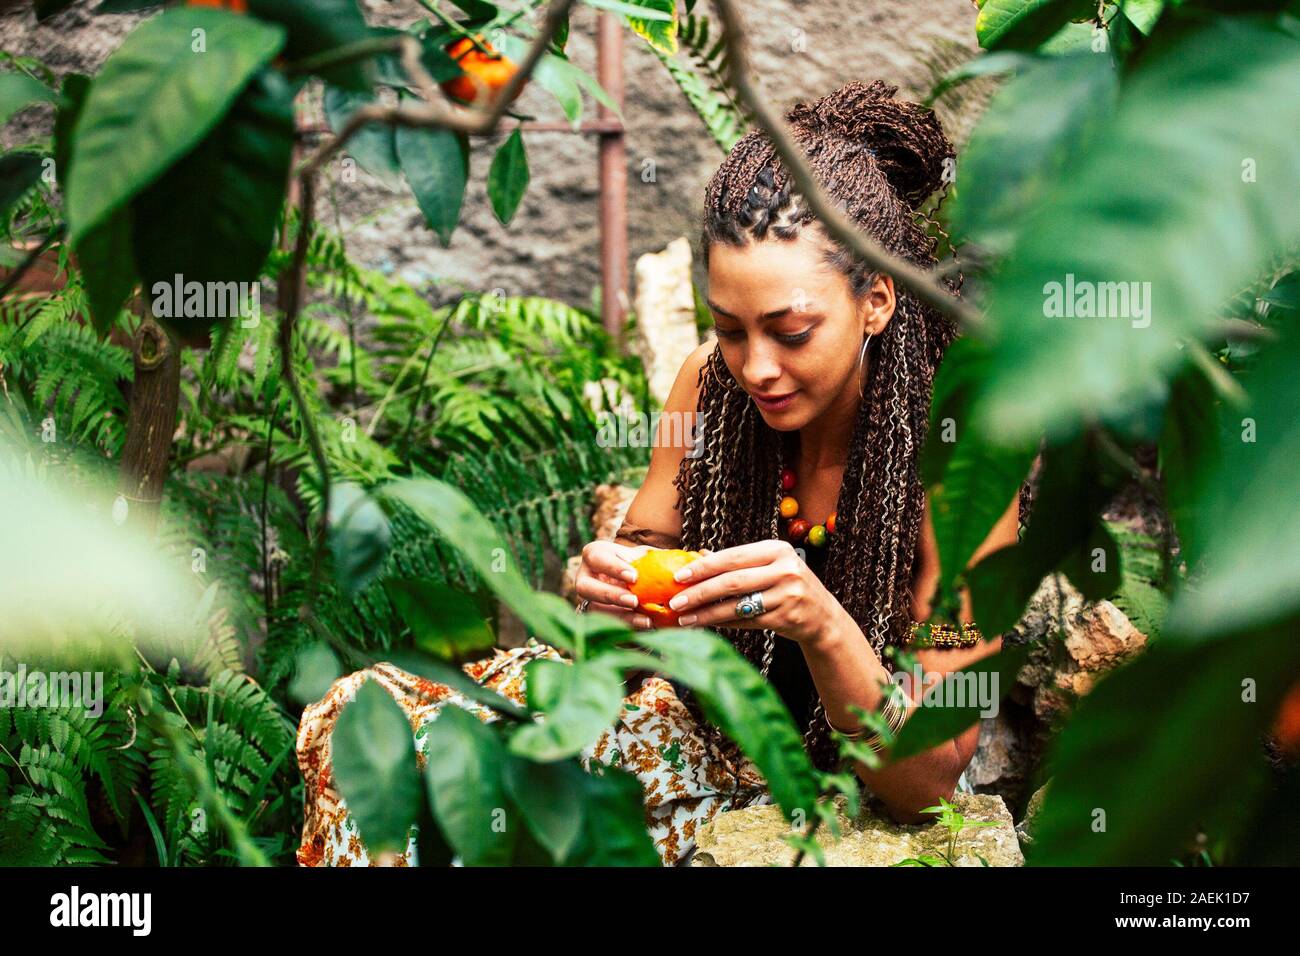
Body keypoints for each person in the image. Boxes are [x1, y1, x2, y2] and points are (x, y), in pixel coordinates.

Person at [296, 79, 1029, 868]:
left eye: (790, 331)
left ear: (877, 300)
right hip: (681, 724)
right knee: (362, 722)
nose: (757, 368)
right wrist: (615, 586)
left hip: (807, 785)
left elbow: (930, 774)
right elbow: (627, 604)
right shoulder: (706, 388)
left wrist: (818, 621)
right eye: (729, 328)